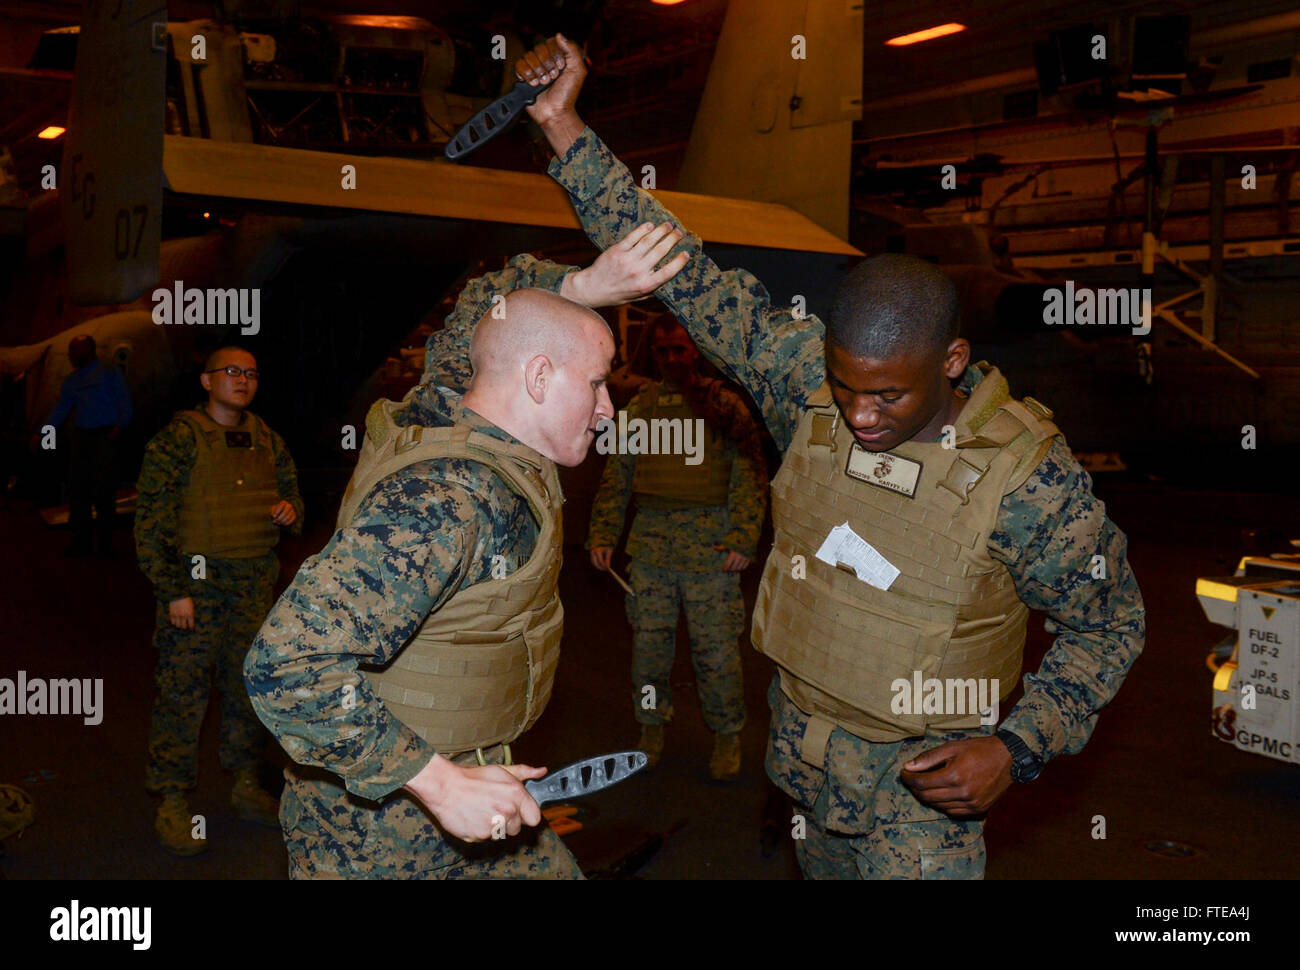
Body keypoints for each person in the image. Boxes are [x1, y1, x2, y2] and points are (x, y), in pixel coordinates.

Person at [521, 34, 1146, 879]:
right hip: (806, 769)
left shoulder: (1026, 479)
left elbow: (1110, 625)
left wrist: (1017, 747)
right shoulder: (802, 383)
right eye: (844, 386)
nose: (859, 414)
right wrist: (564, 129)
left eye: (887, 395)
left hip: (921, 802)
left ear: (952, 363)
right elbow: (680, 270)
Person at [243, 236, 684, 879]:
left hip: (468, 772)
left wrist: (581, 288)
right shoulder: (446, 502)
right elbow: (285, 662)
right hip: (378, 825)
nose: (606, 410)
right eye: (595, 384)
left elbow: (481, 325)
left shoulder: (453, 406)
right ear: (537, 377)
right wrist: (442, 786)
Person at [135, 345, 304, 856]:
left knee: (246, 690)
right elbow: (151, 521)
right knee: (183, 694)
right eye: (231, 371)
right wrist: (173, 591)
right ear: (207, 382)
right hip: (196, 588)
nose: (243, 380)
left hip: (252, 585)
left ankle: (246, 784)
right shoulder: (178, 441)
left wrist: (287, 511)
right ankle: (170, 799)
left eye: (251, 373)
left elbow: (295, 499)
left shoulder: (266, 439)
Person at [587, 315, 767, 780]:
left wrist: (744, 537)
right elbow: (617, 475)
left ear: (695, 351)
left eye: (680, 349)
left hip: (712, 549)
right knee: (648, 652)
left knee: (717, 653)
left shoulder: (724, 406)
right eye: (664, 350)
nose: (672, 358)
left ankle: (727, 735)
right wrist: (604, 533)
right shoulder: (642, 407)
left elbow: (750, 473)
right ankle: (650, 729)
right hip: (650, 550)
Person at [43, 335, 132, 557]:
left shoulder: (110, 372)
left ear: (89, 350)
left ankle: (105, 544)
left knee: (104, 491)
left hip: (105, 435)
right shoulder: (73, 381)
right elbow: (61, 409)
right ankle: (81, 541)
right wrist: (42, 433)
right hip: (82, 437)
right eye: (70, 350)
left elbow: (124, 401)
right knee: (78, 490)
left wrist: (120, 426)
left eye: (75, 349)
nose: (71, 354)